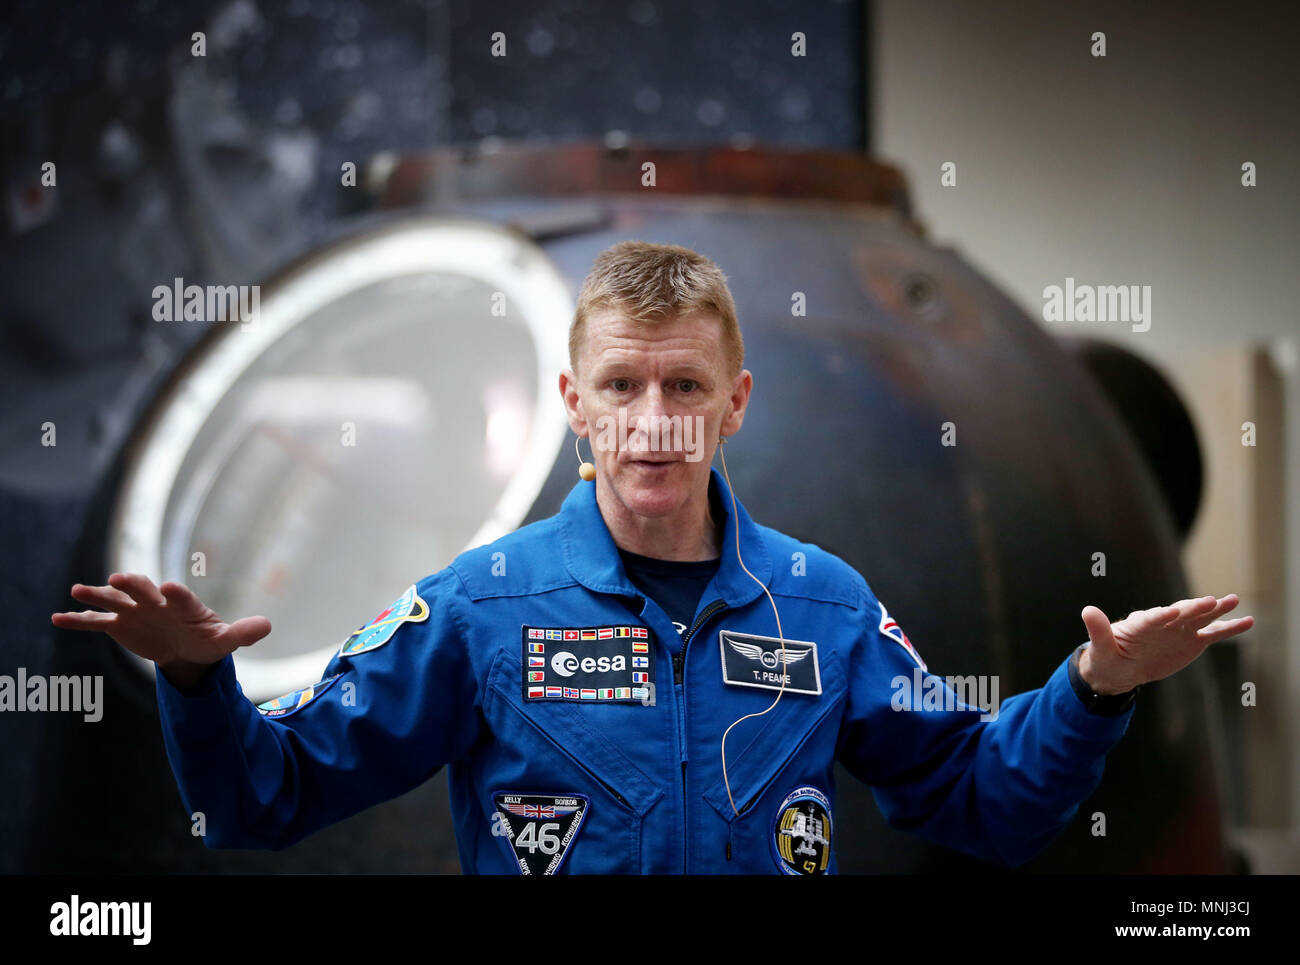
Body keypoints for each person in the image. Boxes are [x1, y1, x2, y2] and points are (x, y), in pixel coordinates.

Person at [52, 241, 1254, 874]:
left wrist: (1091, 692)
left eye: (684, 384)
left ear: (733, 403)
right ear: (576, 401)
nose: (652, 418)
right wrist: (201, 686)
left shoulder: (822, 606)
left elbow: (986, 802)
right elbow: (266, 796)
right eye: (621, 385)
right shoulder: (481, 607)